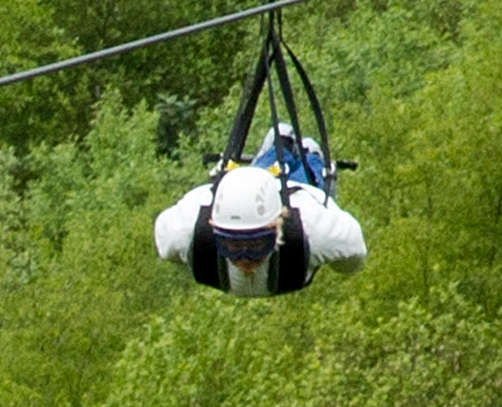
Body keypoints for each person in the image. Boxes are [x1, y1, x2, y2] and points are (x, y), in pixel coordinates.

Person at [155, 126, 367, 297]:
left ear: (278, 225)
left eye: (256, 245)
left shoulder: (314, 228)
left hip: (298, 197)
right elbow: (166, 241)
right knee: (254, 176)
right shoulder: (185, 231)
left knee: (309, 167)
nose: (244, 259)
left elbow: (354, 254)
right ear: (214, 230)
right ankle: (281, 142)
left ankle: (305, 153)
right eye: (231, 245)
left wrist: (338, 261)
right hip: (235, 191)